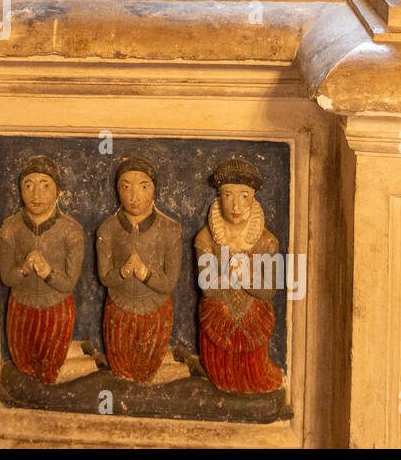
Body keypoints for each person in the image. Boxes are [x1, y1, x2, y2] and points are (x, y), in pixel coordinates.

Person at [195, 158, 285, 394]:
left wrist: (245, 278)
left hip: (252, 319)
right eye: (228, 194)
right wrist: (227, 274)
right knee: (220, 378)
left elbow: (269, 290)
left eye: (243, 195)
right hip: (218, 319)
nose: (236, 204)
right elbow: (208, 288)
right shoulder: (206, 239)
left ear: (253, 197)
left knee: (255, 378)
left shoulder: (267, 241)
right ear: (219, 197)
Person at [0, 155, 84, 384]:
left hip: (55, 309)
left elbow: (68, 284)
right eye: (29, 186)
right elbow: (7, 278)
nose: (36, 195)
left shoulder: (70, 230)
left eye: (45, 185)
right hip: (21, 307)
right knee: (22, 367)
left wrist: (47, 272)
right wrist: (24, 269)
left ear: (58, 192)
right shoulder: (11, 227)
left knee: (50, 371)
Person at [95, 156, 183, 384]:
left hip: (155, 310)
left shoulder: (169, 230)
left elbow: (169, 284)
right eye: (126, 187)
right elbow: (105, 277)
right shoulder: (108, 228)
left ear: (154, 189)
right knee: (121, 373)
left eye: (143, 187)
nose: (134, 197)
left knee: (147, 373)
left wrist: (145, 273)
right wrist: (123, 271)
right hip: (119, 308)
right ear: (117, 191)